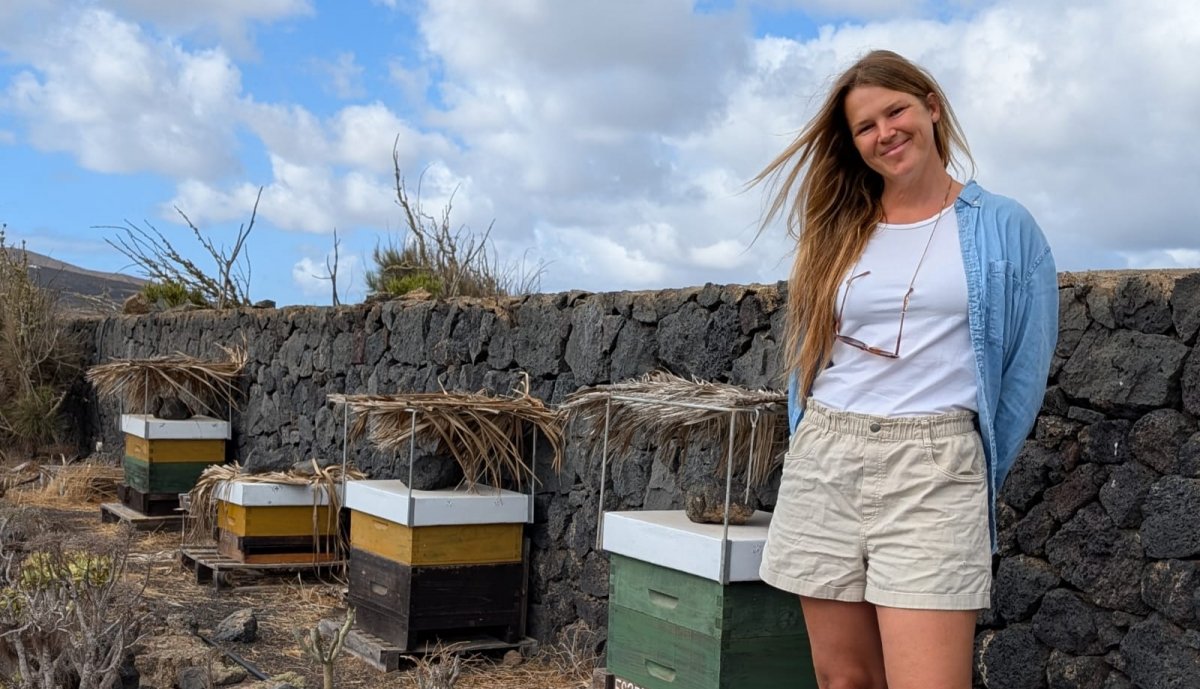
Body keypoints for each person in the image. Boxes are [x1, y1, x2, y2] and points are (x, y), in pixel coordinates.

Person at [752, 50, 1058, 689]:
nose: (885, 133)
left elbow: (1024, 374)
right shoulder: (836, 227)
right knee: (844, 681)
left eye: (896, 112)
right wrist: (810, 441)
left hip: (936, 467)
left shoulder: (1006, 227)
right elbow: (810, 354)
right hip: (827, 458)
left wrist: (968, 465)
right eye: (865, 126)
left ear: (932, 108)